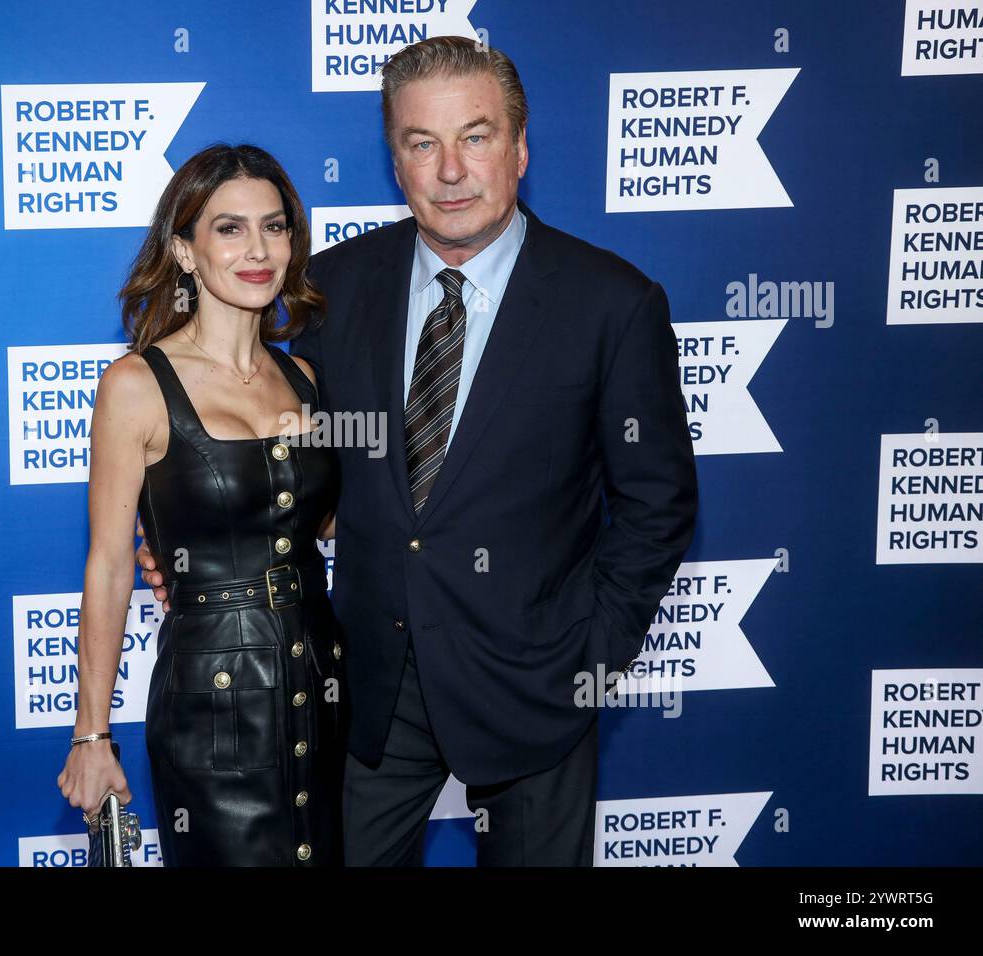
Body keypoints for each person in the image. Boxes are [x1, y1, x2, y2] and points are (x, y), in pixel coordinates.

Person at [139, 35, 699, 866]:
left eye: (474, 137)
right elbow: (293, 457)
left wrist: (591, 654)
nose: (450, 170)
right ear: (394, 161)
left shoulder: (611, 304)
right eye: (421, 143)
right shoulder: (330, 289)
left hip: (538, 684)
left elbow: (659, 505)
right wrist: (213, 546)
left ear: (519, 148)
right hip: (369, 685)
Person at [58, 143, 345, 866]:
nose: (258, 249)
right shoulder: (135, 384)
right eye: (230, 228)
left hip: (323, 680)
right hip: (213, 701)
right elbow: (110, 563)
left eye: (275, 227)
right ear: (184, 250)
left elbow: (328, 523)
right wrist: (91, 735)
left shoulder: (306, 377)